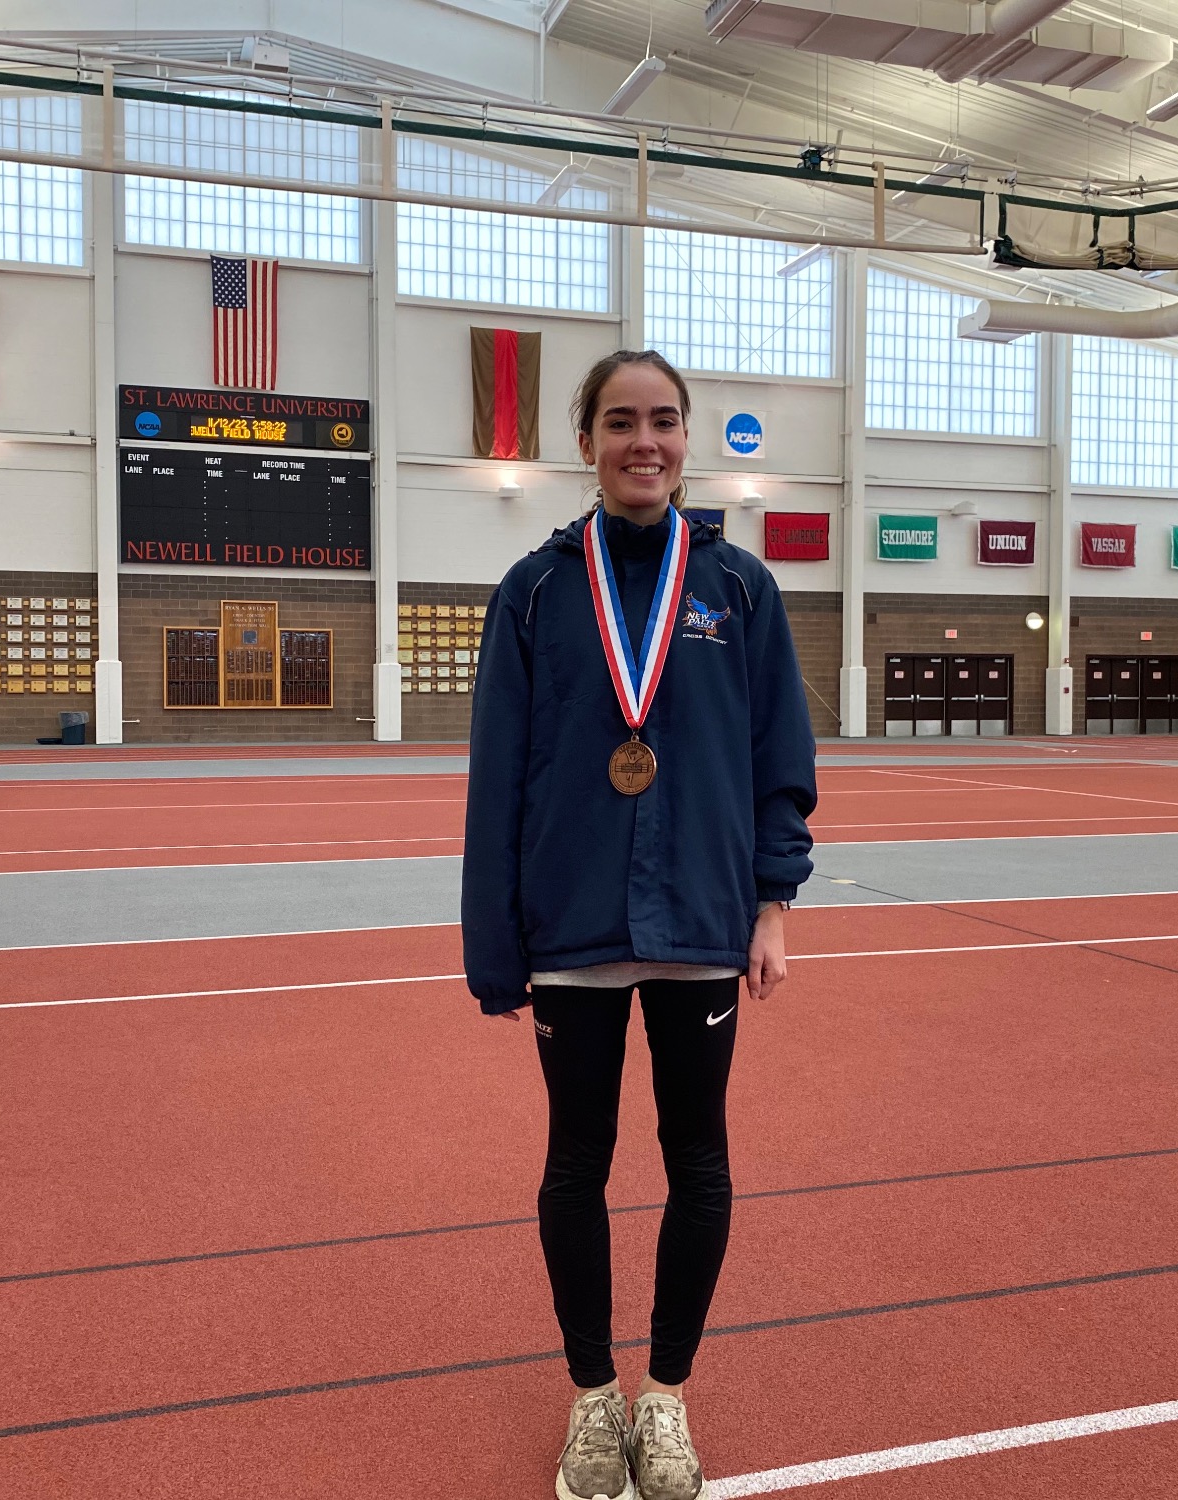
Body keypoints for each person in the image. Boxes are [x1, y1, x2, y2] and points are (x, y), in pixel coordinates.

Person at [461, 349, 818, 1500]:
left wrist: (771, 901)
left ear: (685, 436)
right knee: (575, 1164)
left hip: (702, 923)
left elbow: (779, 760)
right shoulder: (533, 589)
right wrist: (493, 939)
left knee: (697, 1161)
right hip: (569, 926)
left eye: (663, 421)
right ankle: (587, 1400)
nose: (644, 443)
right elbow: (496, 775)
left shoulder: (738, 590)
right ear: (587, 440)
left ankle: (662, 1399)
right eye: (621, 422)